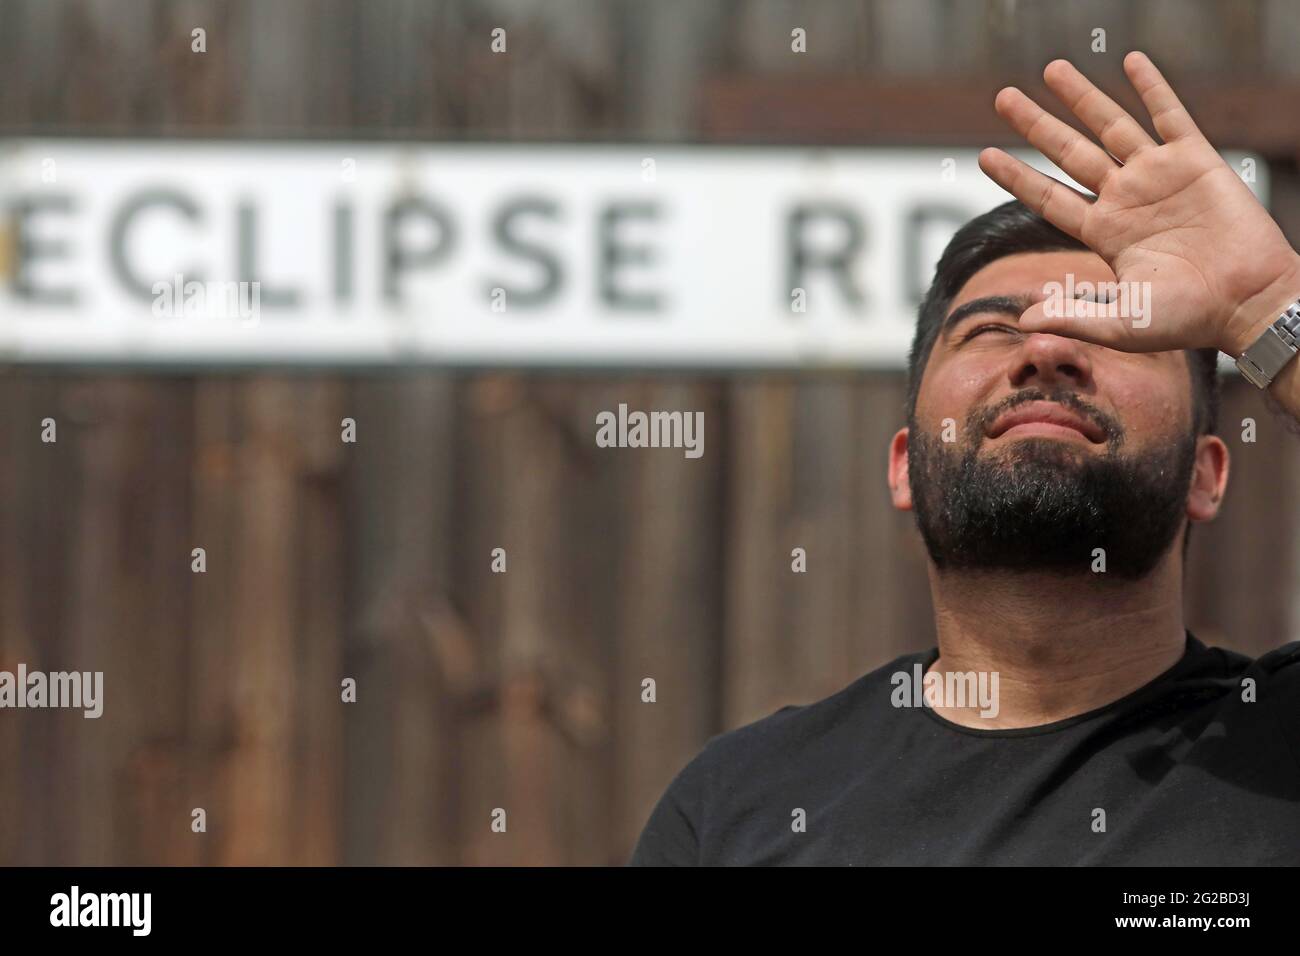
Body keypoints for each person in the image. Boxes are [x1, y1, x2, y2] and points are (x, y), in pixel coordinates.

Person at [628, 52, 1300, 865]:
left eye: (1118, 330)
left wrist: (1268, 307)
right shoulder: (736, 804)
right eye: (991, 330)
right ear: (903, 464)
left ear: (1207, 473)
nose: (1047, 349)